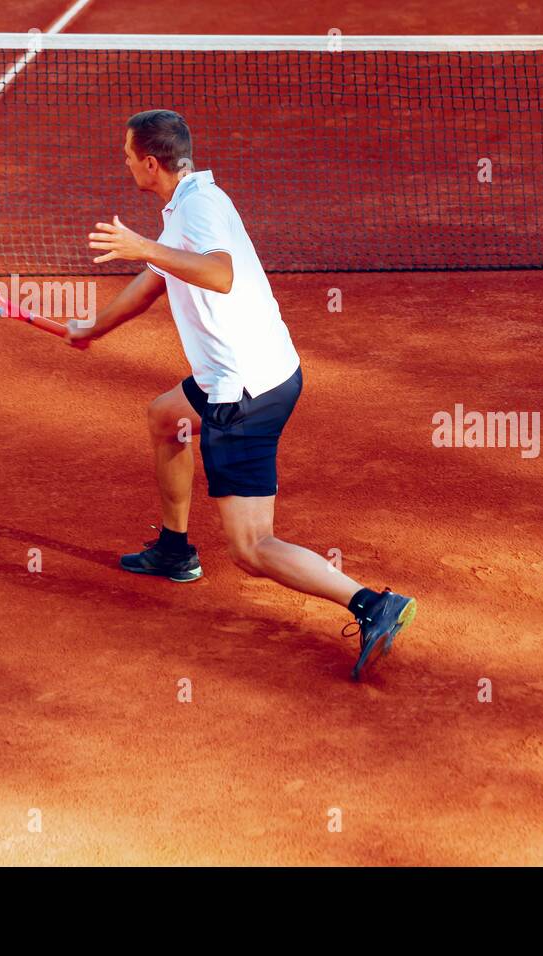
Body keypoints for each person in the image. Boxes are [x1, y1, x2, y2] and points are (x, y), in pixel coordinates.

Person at [71, 109, 415, 680]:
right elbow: (154, 282)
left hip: (243, 393)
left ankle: (373, 604)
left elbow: (219, 274)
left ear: (150, 163)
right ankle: (175, 550)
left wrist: (141, 246)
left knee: (251, 548)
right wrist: (94, 328)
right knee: (165, 418)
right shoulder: (190, 202)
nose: (125, 162)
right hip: (252, 372)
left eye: (128, 155)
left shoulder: (199, 208)